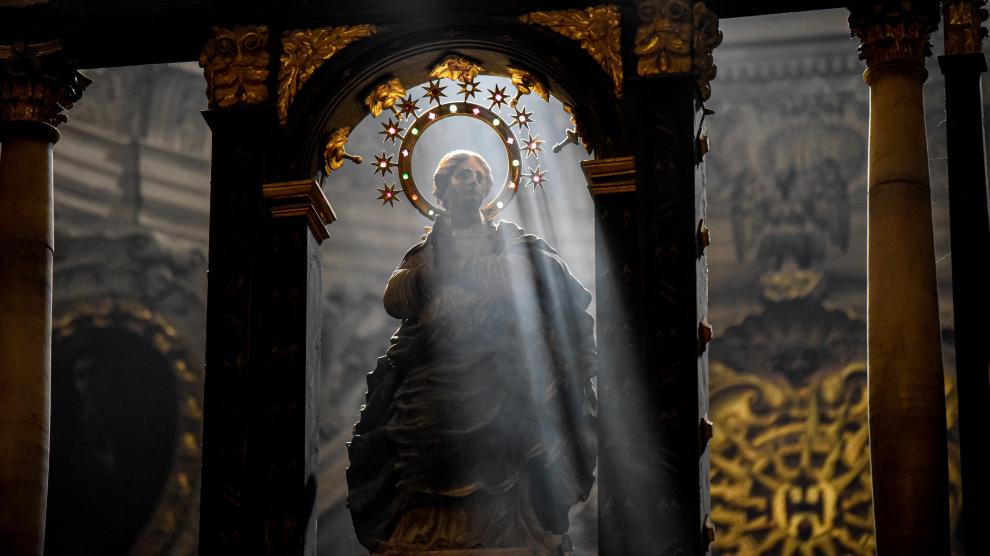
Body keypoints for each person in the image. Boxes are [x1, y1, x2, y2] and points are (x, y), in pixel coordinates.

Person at [346, 150, 597, 554]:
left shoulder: (511, 240)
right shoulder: (427, 249)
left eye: (481, 176)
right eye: (463, 176)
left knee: (510, 440)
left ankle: (511, 526)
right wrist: (435, 273)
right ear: (442, 188)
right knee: (422, 435)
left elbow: (541, 276)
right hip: (435, 365)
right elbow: (396, 297)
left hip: (501, 365)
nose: (474, 182)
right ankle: (423, 528)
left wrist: (467, 271)